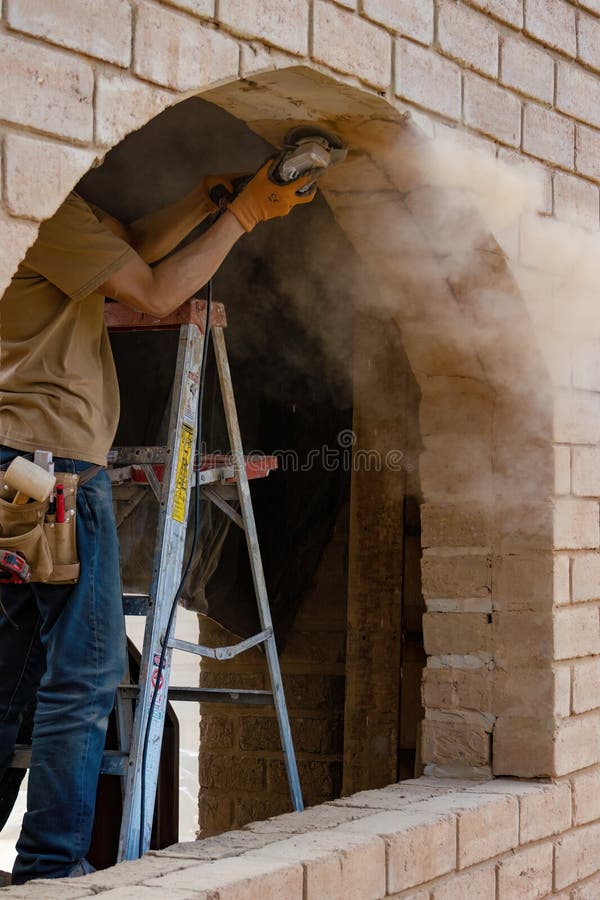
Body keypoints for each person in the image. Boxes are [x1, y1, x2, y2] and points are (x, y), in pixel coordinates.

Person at [0, 163, 315, 884]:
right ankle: (51, 871)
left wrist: (205, 201)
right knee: (84, 677)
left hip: (15, 466)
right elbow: (158, 288)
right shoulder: (38, 206)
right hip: (57, 478)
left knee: (11, 674)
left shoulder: (35, 211)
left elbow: (123, 246)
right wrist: (247, 217)